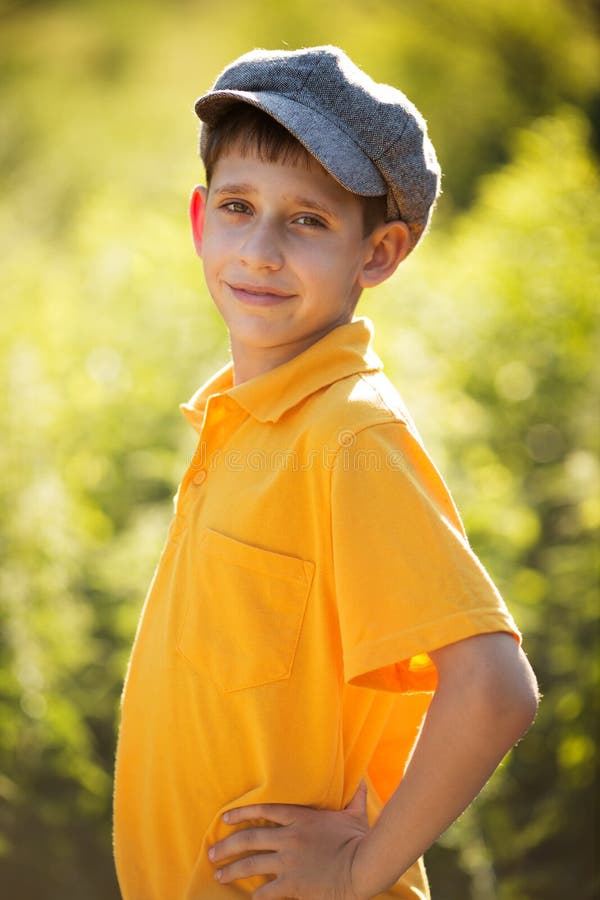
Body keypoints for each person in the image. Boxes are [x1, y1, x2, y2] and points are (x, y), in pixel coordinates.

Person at [113, 45, 539, 899]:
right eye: (239, 207)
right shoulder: (243, 417)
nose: (261, 250)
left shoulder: (348, 433)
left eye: (307, 219)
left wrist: (357, 868)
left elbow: (494, 689)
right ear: (201, 222)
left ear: (378, 252)